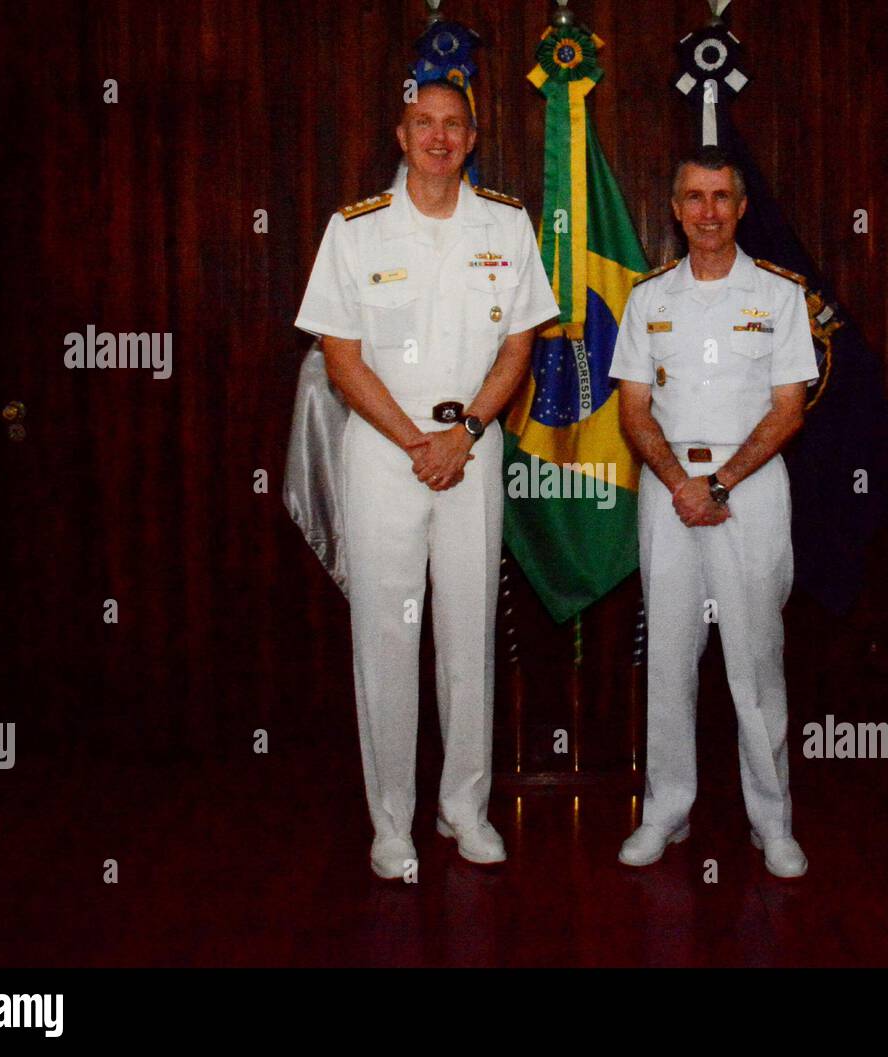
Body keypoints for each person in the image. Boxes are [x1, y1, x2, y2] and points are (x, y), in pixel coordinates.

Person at [294, 80, 559, 879]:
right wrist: (418, 441)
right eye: (423, 123)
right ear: (401, 135)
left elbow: (519, 346)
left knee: (470, 633)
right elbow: (341, 360)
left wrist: (466, 432)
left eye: (454, 125)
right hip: (386, 453)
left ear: (472, 138)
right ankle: (391, 823)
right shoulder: (355, 230)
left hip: (471, 452)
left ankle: (464, 808)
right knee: (386, 636)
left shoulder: (506, 224)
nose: (439, 137)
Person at [608, 146, 819, 878]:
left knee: (755, 661)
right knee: (668, 657)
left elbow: (789, 411)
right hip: (670, 490)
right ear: (674, 207)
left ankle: (772, 820)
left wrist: (720, 483)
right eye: (693, 197)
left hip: (749, 486)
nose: (707, 212)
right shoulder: (649, 299)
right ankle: (666, 809)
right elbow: (633, 410)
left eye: (721, 197)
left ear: (741, 206)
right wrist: (682, 482)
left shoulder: (781, 297)